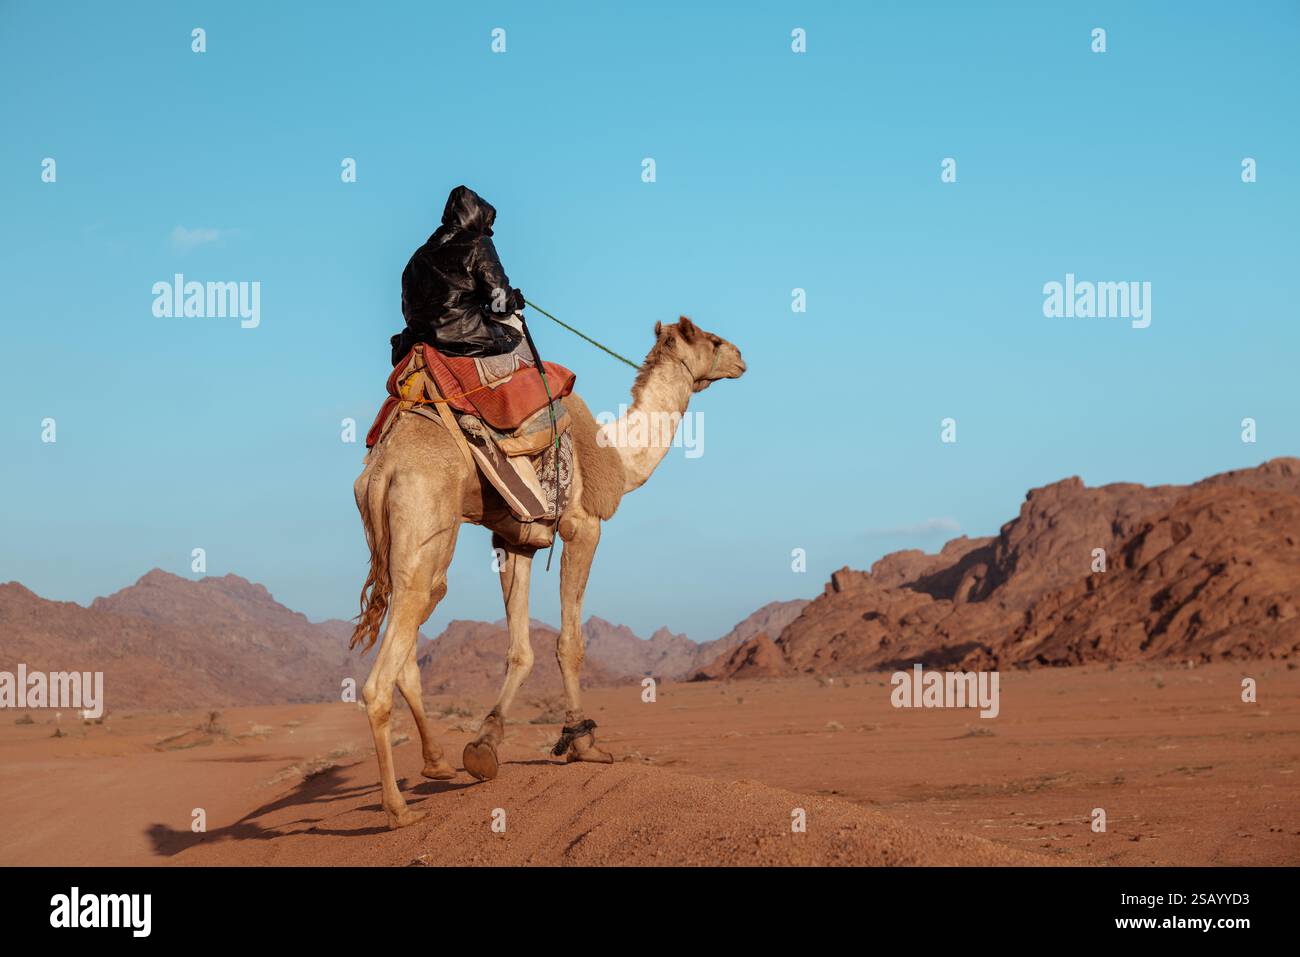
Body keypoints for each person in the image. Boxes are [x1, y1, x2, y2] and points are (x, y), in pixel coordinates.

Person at [390, 185, 526, 365]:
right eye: (487, 226)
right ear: (477, 219)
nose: (489, 233)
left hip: (419, 339)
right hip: (465, 340)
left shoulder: (416, 257)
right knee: (516, 323)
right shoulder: (478, 243)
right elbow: (500, 303)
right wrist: (513, 302)